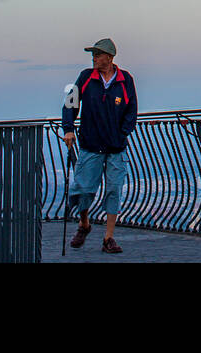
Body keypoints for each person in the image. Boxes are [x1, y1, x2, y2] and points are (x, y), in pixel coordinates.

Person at [62, 38, 137, 254]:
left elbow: (131, 110)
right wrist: (68, 128)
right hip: (90, 145)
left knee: (114, 190)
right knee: (84, 189)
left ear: (110, 57)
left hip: (115, 148)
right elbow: (70, 103)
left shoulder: (125, 80)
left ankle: (108, 238)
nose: (94, 58)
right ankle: (84, 224)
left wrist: (122, 133)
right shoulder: (86, 77)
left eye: (98, 54)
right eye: (93, 54)